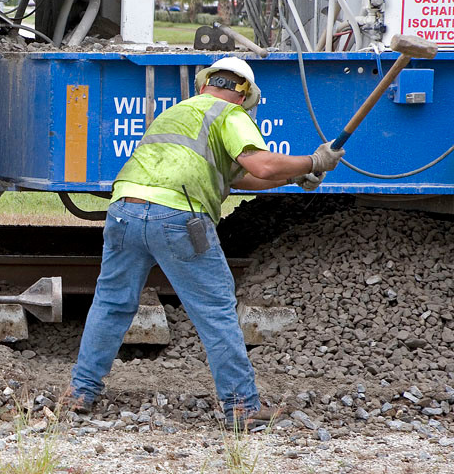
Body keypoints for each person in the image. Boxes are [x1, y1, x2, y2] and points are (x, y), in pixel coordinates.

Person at [67, 57, 345, 430]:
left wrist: (296, 177)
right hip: (178, 216)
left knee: (112, 303)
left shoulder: (178, 113)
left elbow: (238, 179)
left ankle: (80, 393)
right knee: (215, 310)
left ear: (205, 85)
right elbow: (261, 165)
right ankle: (241, 407)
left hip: (124, 212)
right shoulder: (229, 114)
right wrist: (313, 160)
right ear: (245, 95)